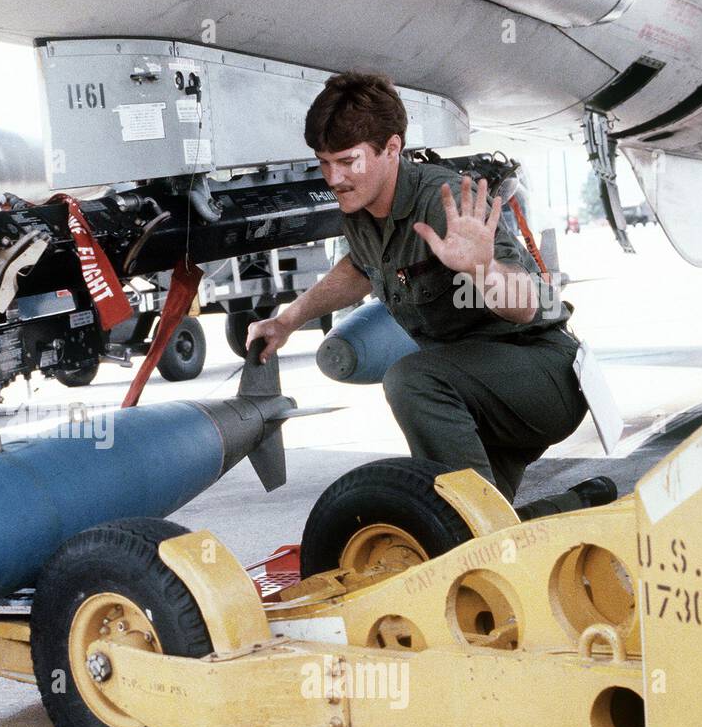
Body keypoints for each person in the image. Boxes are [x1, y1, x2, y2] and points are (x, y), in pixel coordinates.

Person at [247, 71, 614, 519]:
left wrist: (482, 267)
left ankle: (483, 530)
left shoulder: (443, 202)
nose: (334, 177)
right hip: (476, 392)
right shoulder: (363, 211)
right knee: (459, 527)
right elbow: (360, 267)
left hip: (540, 374)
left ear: (392, 148)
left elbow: (528, 304)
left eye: (348, 160)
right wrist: (287, 320)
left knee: (411, 381)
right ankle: (571, 506)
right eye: (324, 162)